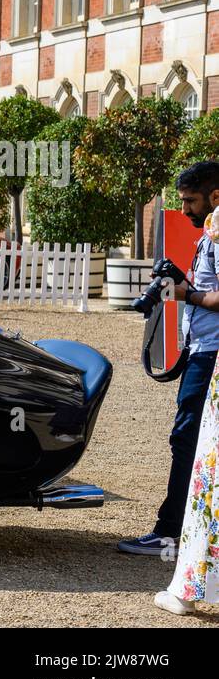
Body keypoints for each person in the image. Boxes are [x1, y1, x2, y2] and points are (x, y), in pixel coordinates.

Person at [121, 161, 219, 557]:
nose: (184, 211)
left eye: (190, 201)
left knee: (188, 440)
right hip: (202, 351)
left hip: (211, 356)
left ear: (216, 196)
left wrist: (186, 295)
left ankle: (171, 533)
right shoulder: (209, 234)